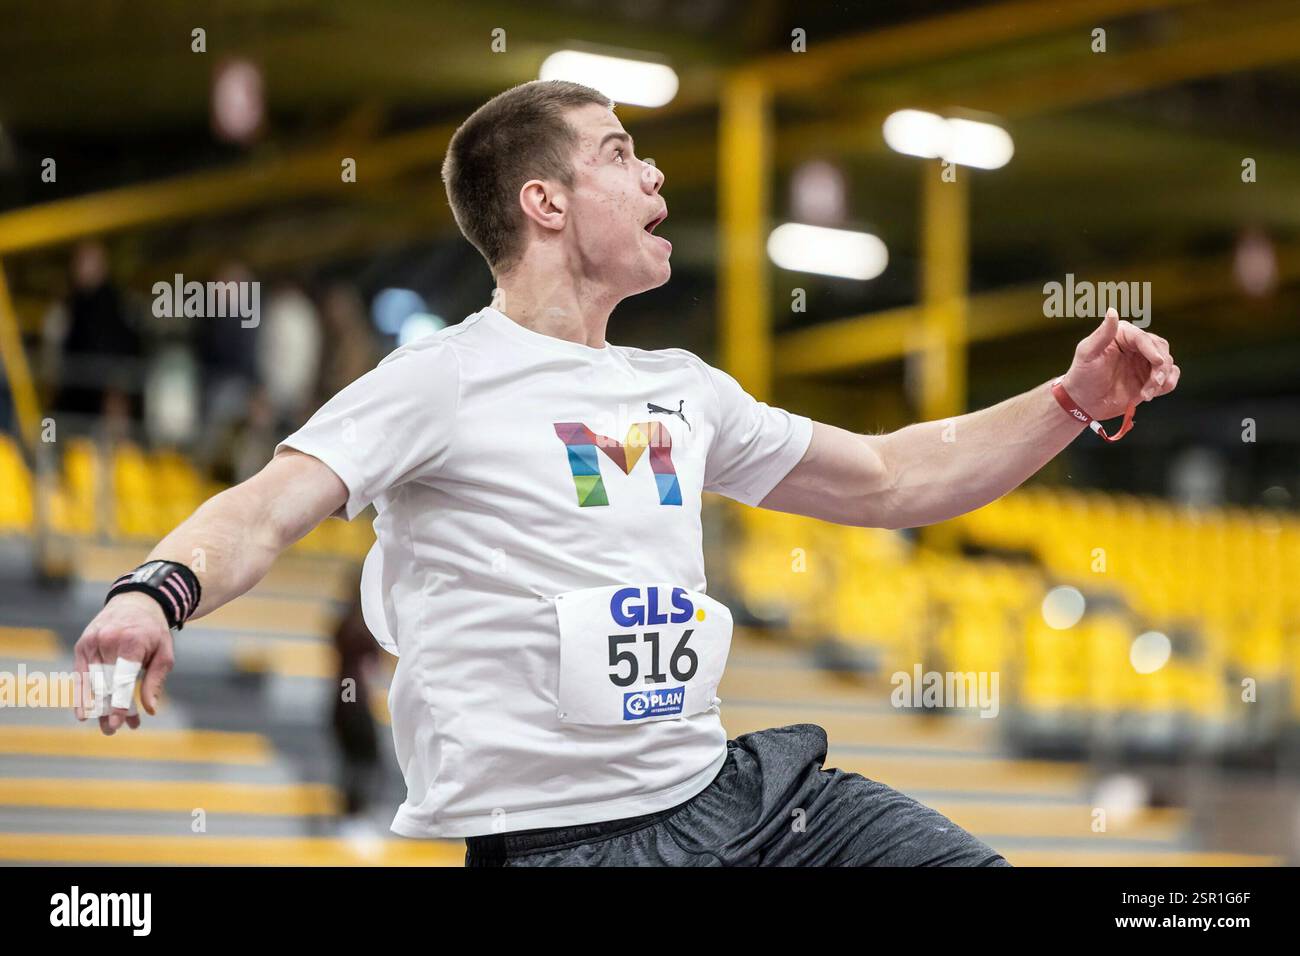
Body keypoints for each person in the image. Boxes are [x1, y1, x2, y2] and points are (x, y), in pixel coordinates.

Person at [73, 80, 1179, 866]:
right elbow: (266, 508)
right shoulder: (441, 378)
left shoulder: (684, 388)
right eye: (616, 151)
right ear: (544, 203)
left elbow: (891, 479)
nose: (653, 172)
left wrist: (1070, 400)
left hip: (741, 803)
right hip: (562, 845)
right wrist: (152, 592)